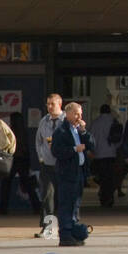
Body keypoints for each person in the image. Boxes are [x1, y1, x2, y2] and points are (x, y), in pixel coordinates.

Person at [51, 102, 94, 245]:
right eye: (76, 113)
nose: (79, 116)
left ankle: (74, 230)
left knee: (76, 203)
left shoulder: (78, 130)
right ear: (67, 114)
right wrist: (74, 149)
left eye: (80, 114)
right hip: (67, 173)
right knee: (66, 204)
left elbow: (92, 145)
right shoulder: (61, 131)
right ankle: (65, 233)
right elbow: (56, 151)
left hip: (79, 172)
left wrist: (84, 131)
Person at [0, 111, 42, 217]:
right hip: (23, 160)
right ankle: (37, 207)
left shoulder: (10, 131)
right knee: (28, 186)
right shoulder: (23, 131)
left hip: (12, 160)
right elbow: (26, 149)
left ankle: (3, 208)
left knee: (6, 185)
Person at [35, 92, 66, 235]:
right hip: (47, 164)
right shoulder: (44, 121)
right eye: (47, 104)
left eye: (52, 104)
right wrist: (41, 157)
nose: (49, 107)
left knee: (62, 195)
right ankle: (48, 226)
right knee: (47, 195)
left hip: (62, 164)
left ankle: (64, 225)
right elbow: (38, 141)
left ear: (60, 104)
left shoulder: (66, 120)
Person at [89, 104, 120, 208]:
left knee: (102, 177)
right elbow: (119, 138)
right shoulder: (114, 122)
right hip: (112, 153)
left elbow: (90, 139)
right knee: (110, 177)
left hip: (99, 155)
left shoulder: (95, 123)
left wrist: (91, 151)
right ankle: (110, 196)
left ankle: (103, 196)